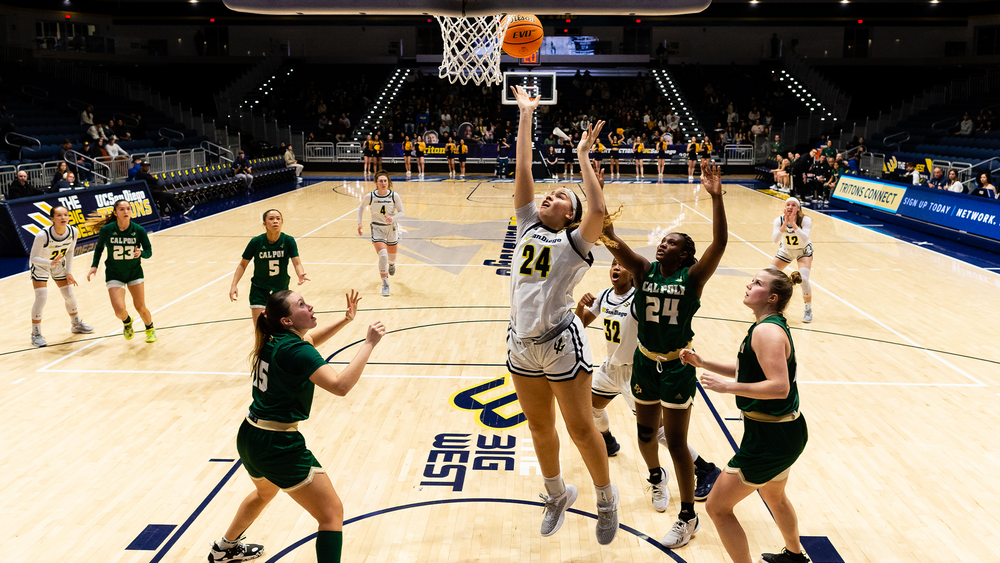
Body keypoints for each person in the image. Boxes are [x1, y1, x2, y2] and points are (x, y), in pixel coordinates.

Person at [507, 85, 619, 545]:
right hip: (520, 343)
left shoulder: (575, 244)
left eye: (559, 197)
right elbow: (524, 168)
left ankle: (606, 498)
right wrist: (527, 114)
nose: (548, 197)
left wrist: (582, 155)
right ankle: (557, 493)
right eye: (547, 195)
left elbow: (598, 208)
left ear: (570, 215)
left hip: (559, 344)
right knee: (538, 427)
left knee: (580, 428)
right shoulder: (529, 223)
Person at [601, 159, 728, 549]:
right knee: (643, 433)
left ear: (686, 255)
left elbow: (719, 244)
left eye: (672, 242)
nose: (663, 243)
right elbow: (609, 238)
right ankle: (656, 478)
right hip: (643, 360)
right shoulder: (642, 268)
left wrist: (716, 197)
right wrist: (599, 194)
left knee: (675, 442)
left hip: (675, 366)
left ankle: (688, 515)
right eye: (663, 240)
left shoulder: (692, 277)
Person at [208, 289, 386, 563]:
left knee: (264, 492)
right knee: (331, 514)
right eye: (301, 304)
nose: (311, 306)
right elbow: (340, 386)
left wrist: (344, 320)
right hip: (277, 444)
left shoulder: (273, 339)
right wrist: (368, 344)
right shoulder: (296, 349)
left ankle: (225, 548)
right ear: (287, 321)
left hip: (250, 435)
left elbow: (311, 340)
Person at [683, 268, 809, 563]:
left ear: (772, 297)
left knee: (716, 507)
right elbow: (749, 371)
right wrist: (704, 362)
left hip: (771, 438)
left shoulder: (767, 331)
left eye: (757, 283)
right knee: (774, 497)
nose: (749, 285)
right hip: (780, 432)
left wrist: (727, 388)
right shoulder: (767, 325)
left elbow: (779, 387)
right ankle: (794, 555)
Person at [574, 259, 722, 496]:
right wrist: (580, 307)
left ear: (632, 275)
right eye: (613, 264)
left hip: (637, 370)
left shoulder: (640, 298)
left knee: (657, 431)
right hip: (610, 367)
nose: (616, 268)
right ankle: (608, 440)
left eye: (621, 265)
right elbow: (579, 326)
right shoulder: (604, 296)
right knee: (591, 407)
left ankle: (705, 470)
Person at [87, 200, 157, 343]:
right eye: (122, 209)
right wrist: (94, 265)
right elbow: (99, 248)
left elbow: (149, 251)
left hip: (134, 272)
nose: (126, 212)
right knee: (119, 310)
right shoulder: (107, 230)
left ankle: (149, 328)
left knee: (140, 307)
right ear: (115, 213)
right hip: (114, 273)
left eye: (128, 209)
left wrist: (141, 254)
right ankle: (127, 321)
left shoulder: (138, 230)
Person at [28, 205, 95, 347]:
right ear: (52, 218)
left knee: (69, 295)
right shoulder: (43, 235)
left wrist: (68, 272)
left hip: (59, 265)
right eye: (59, 215)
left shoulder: (73, 231)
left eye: (65, 215)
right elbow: (33, 258)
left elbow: (70, 252)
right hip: (41, 265)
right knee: (41, 297)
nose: (63, 217)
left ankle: (76, 325)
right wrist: (49, 262)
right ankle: (36, 334)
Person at [230, 209, 310, 327]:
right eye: (271, 219)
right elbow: (242, 264)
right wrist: (234, 285)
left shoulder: (288, 240)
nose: (275, 221)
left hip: (280, 290)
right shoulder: (256, 242)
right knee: (261, 329)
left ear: (282, 222)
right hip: (259, 290)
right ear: (264, 223)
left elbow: (296, 262)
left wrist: (300, 274)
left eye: (278, 218)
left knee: (279, 328)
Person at [357, 170, 404, 297]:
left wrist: (392, 219)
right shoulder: (370, 196)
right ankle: (385, 284)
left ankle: (392, 263)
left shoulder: (394, 196)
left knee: (391, 256)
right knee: (383, 254)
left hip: (391, 229)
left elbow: (401, 212)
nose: (383, 183)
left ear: (388, 182)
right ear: (376, 183)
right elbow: (360, 208)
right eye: (381, 181)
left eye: (385, 181)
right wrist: (359, 223)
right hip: (377, 228)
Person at [769, 198, 814, 323]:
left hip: (803, 251)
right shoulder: (779, 220)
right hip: (786, 251)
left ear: (798, 208)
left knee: (803, 280)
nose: (790, 207)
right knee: (770, 275)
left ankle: (808, 310)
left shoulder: (805, 219)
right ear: (785, 208)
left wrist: (794, 224)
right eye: (788, 204)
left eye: (793, 205)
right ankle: (772, 307)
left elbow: (805, 239)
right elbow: (775, 240)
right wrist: (785, 225)